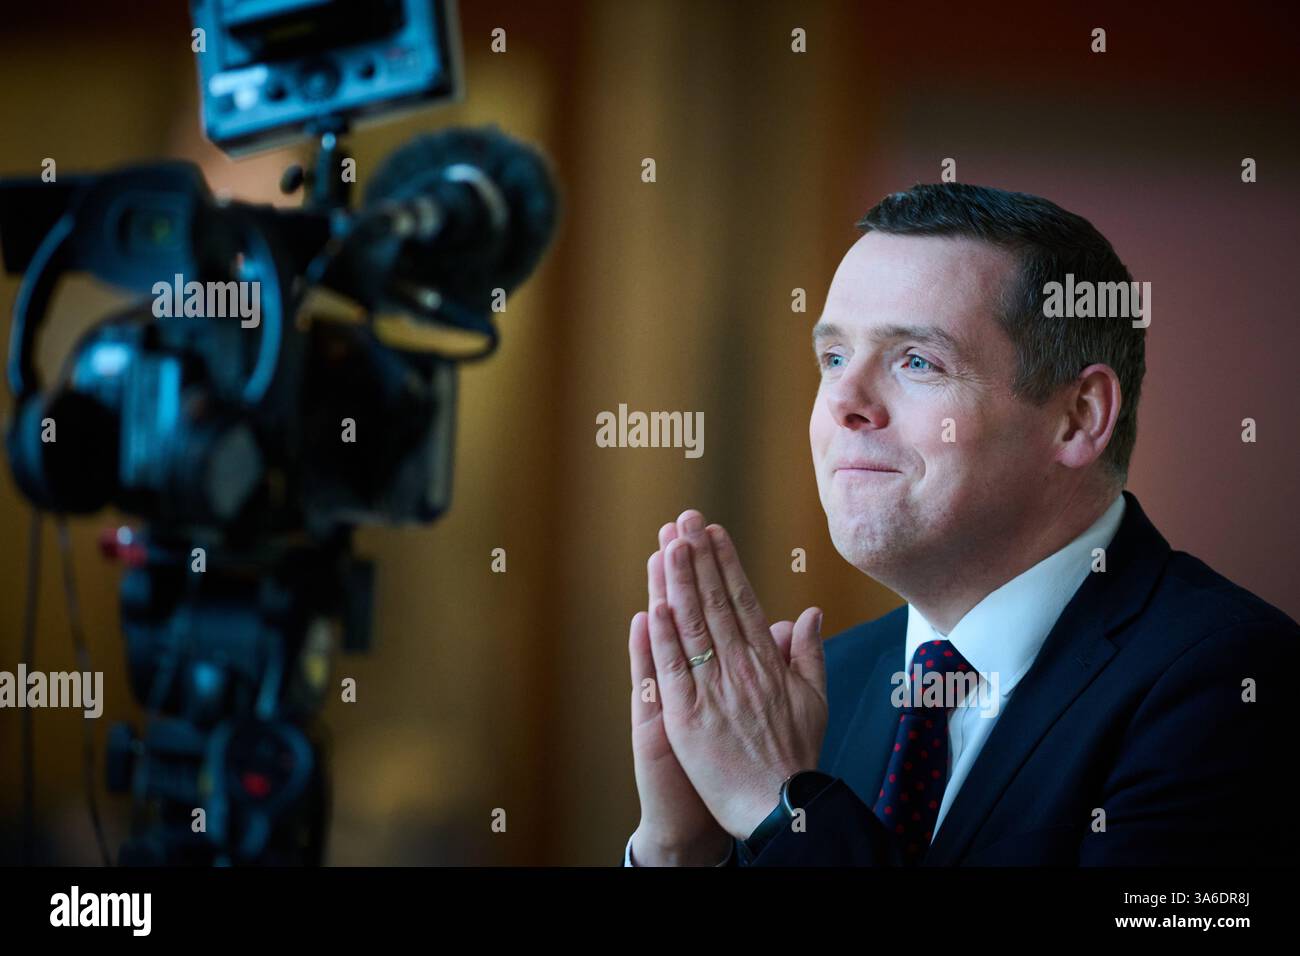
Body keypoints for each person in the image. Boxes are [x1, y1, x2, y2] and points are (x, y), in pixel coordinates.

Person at [623, 183, 1297, 866]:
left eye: (917, 361)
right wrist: (681, 853)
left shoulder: (1234, 680)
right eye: (833, 358)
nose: (843, 404)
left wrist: (783, 807)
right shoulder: (822, 687)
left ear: (1079, 416)